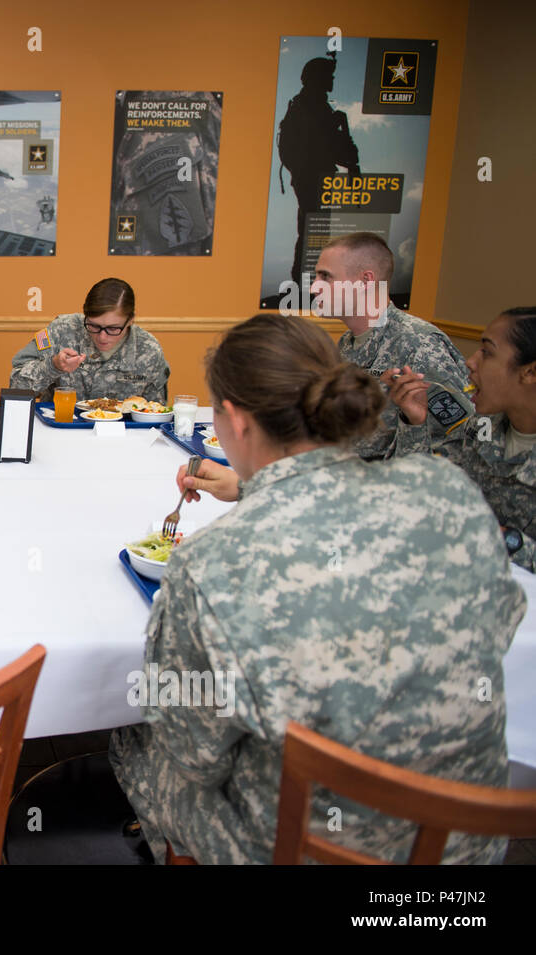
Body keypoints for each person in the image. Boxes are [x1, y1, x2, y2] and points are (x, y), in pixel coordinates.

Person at [111, 313, 523, 865]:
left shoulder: (212, 562)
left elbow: (194, 756)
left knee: (132, 740)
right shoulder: (448, 490)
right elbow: (502, 621)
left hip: (304, 848)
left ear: (233, 418)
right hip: (463, 851)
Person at [383, 306, 536, 572]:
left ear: (530, 372)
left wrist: (503, 538)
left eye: (487, 352)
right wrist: (415, 421)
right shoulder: (484, 426)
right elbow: (423, 490)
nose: (470, 362)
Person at [311, 231, 471, 459]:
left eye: (326, 277)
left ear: (366, 281)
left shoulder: (418, 344)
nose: (314, 288)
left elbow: (462, 439)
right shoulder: (347, 343)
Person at [8, 278, 169, 402]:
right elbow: (16, 389)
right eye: (93, 326)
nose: (102, 337)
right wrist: (53, 366)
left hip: (122, 438)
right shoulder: (61, 330)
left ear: (131, 320)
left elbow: (155, 413)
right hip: (61, 432)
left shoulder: (149, 350)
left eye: (113, 329)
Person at [276, 54, 360, 289]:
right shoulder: (310, 106)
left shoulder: (313, 105)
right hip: (312, 176)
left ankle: (308, 280)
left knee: (313, 228)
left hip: (313, 176)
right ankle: (306, 281)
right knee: (313, 228)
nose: (332, 80)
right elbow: (327, 145)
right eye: (328, 76)